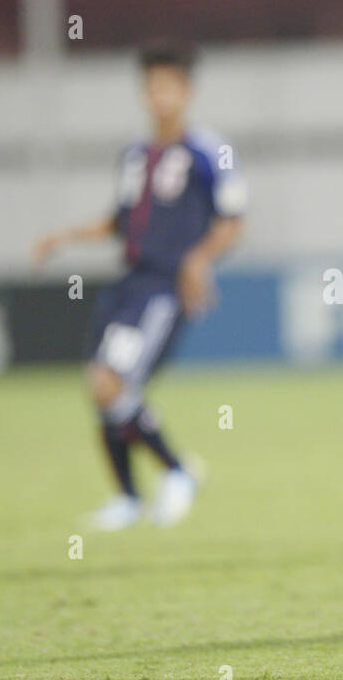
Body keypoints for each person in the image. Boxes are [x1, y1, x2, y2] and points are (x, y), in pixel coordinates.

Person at [33, 42, 246, 529]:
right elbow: (120, 221)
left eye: (167, 86)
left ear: (186, 92)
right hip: (128, 282)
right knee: (102, 388)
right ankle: (129, 498)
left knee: (111, 383)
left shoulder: (208, 151)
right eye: (151, 86)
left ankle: (176, 472)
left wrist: (198, 258)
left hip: (163, 288)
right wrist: (65, 235)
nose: (158, 96)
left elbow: (234, 221)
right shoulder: (135, 154)